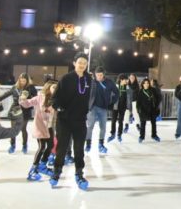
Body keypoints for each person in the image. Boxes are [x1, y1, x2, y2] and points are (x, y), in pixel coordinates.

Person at [49, 52, 92, 190]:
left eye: (84, 63)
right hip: (65, 120)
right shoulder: (66, 78)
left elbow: (94, 96)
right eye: (79, 62)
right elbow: (54, 98)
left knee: (79, 149)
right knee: (62, 148)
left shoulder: (89, 80)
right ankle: (56, 172)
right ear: (74, 63)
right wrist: (59, 108)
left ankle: (79, 174)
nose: (82, 65)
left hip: (80, 120)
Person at [20, 79, 56, 181]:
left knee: (50, 146)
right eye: (53, 87)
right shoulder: (40, 97)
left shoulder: (56, 99)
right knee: (42, 147)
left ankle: (42, 165)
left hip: (49, 127)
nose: (55, 89)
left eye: (56, 88)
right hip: (40, 126)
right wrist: (23, 98)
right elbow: (27, 103)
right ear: (48, 87)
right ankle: (33, 170)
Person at [85, 66, 116, 154]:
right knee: (90, 126)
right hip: (92, 108)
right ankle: (88, 143)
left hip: (103, 108)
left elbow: (116, 92)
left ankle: (101, 144)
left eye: (100, 75)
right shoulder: (92, 82)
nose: (99, 77)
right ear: (95, 75)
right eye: (97, 75)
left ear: (103, 75)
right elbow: (85, 93)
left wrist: (111, 103)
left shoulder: (109, 82)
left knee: (103, 127)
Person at [10, 73, 36, 154]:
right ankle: (12, 145)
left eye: (24, 80)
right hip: (15, 110)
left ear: (27, 80)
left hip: (25, 111)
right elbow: (6, 94)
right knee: (13, 129)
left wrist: (28, 98)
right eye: (21, 80)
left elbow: (35, 98)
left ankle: (24, 145)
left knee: (23, 128)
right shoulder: (15, 87)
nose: (22, 82)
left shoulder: (31, 87)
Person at [109, 74, 129, 143]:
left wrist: (128, 107)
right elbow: (111, 96)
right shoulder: (115, 87)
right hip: (115, 106)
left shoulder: (127, 88)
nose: (126, 81)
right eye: (125, 79)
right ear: (121, 80)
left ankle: (119, 134)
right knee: (113, 120)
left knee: (120, 121)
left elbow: (128, 98)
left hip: (122, 107)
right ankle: (112, 133)